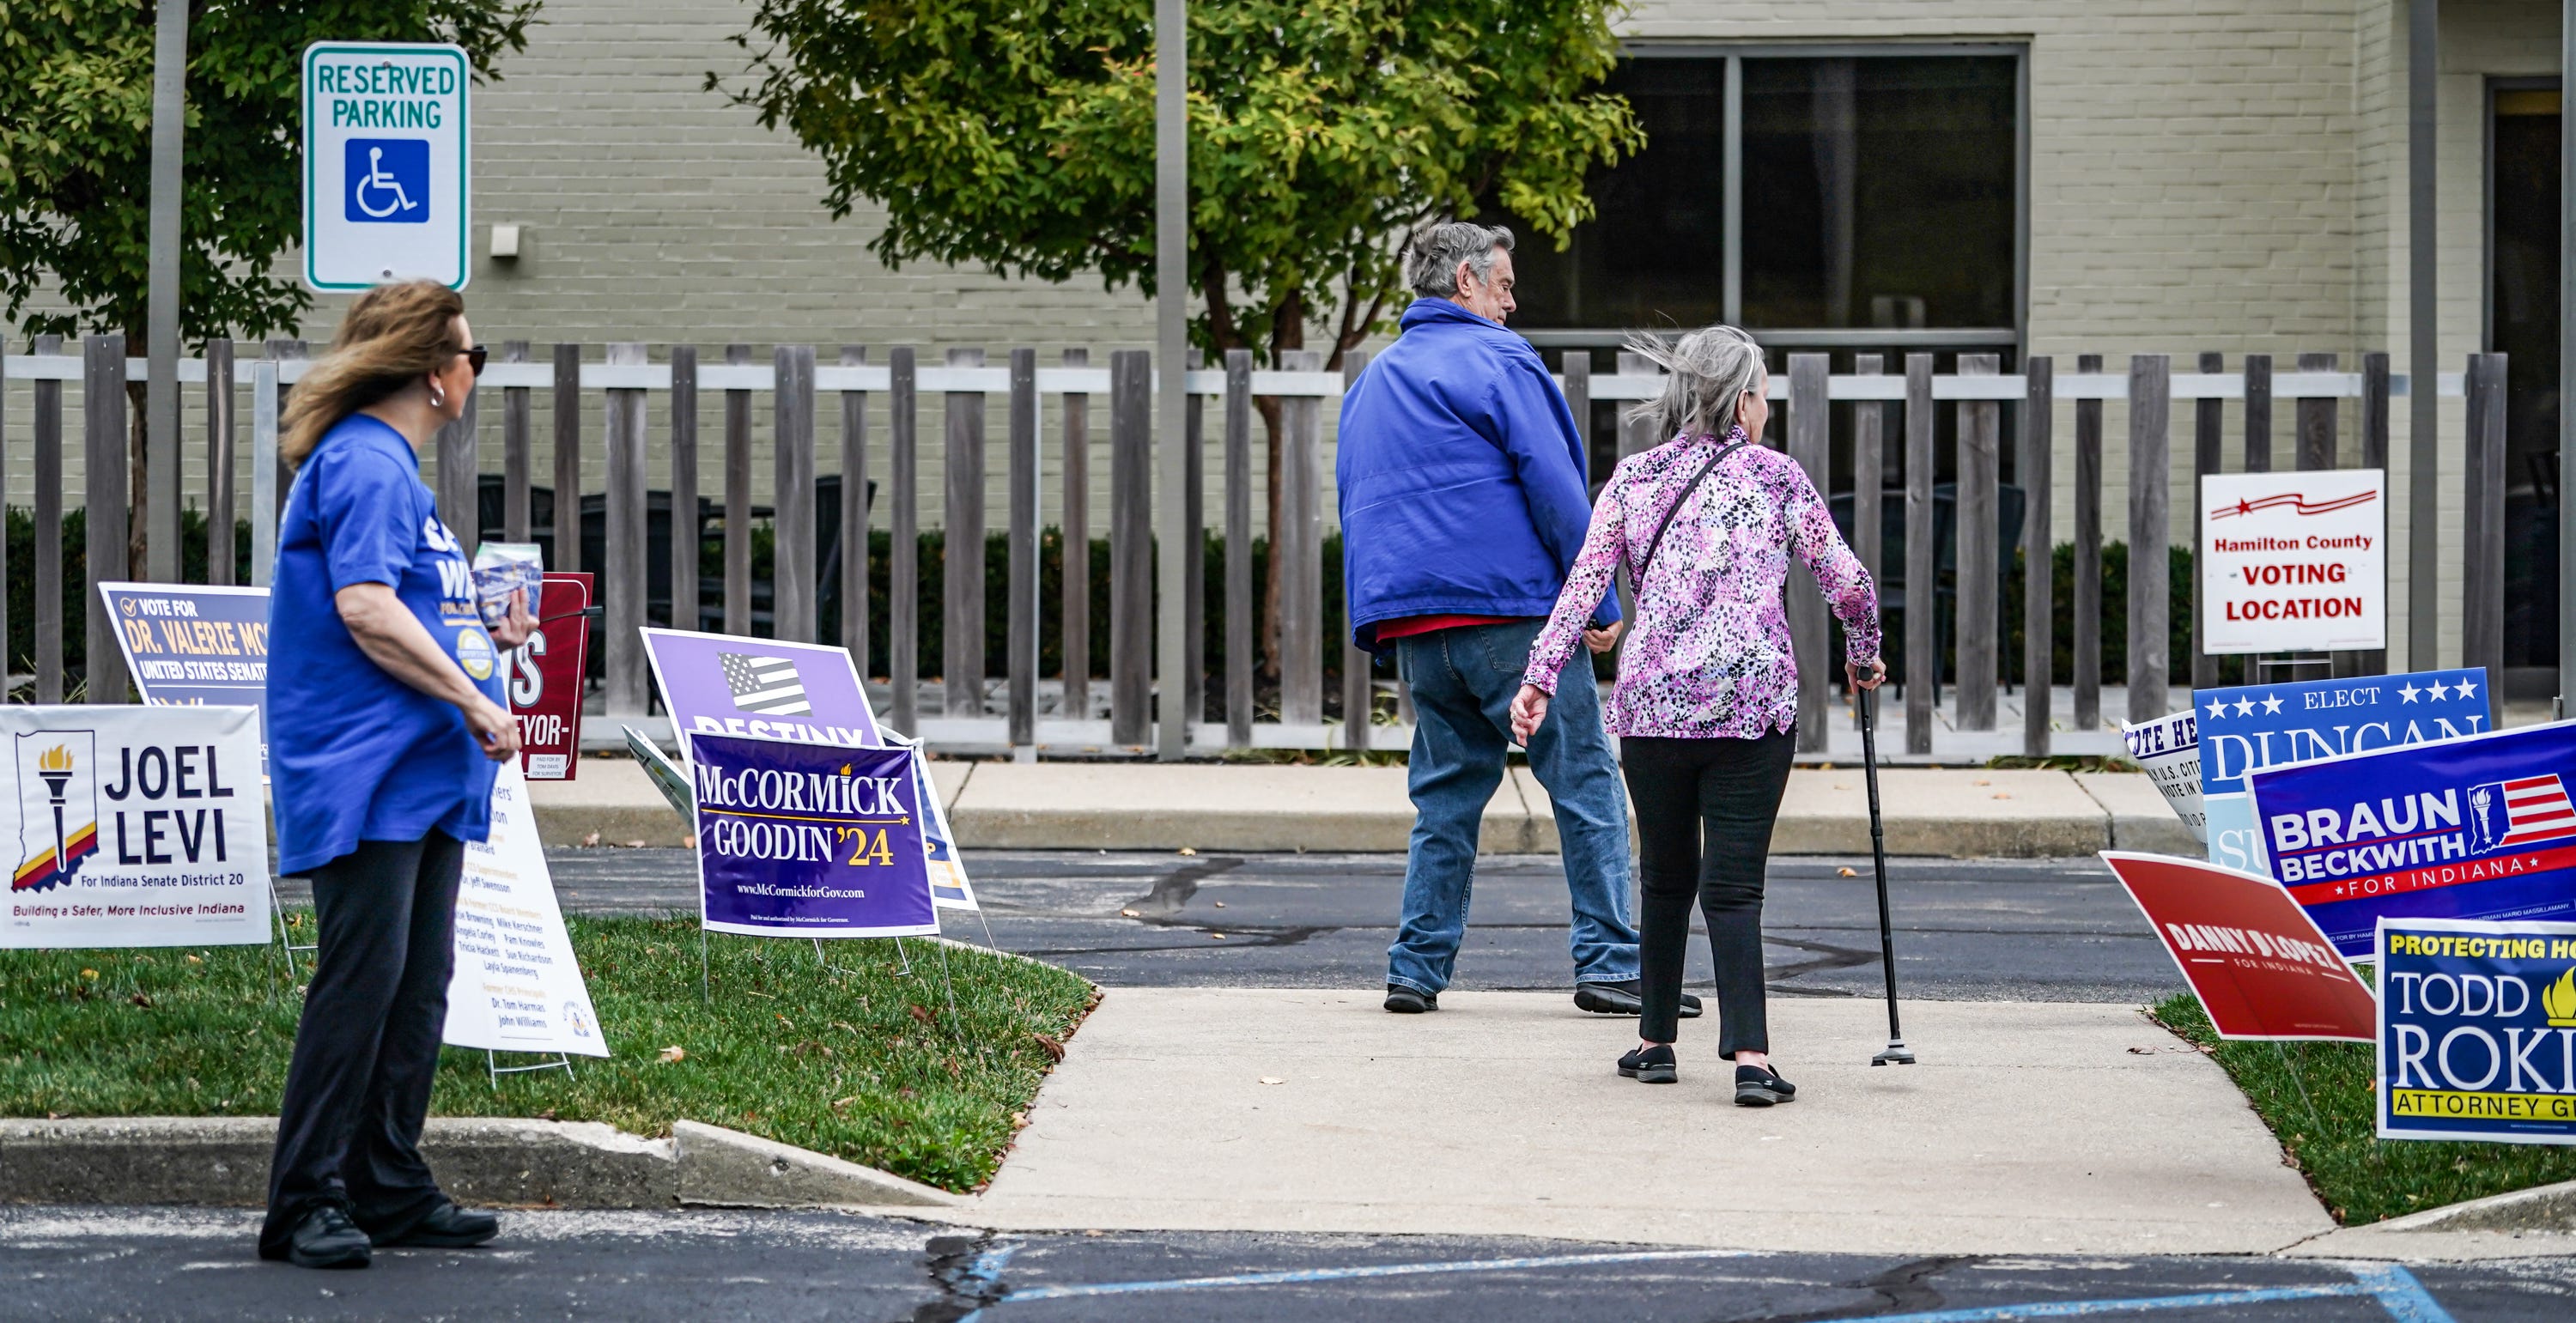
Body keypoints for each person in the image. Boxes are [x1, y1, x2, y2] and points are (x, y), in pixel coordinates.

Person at [1510, 325, 1883, 1106]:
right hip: (1752, 707)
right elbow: (1847, 583)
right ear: (1743, 397)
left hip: (1652, 708)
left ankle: (1654, 1043)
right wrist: (1864, 652)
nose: (1768, 404)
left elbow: (1582, 587)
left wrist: (1540, 677)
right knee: (1736, 886)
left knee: (1665, 875)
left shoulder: (1634, 478)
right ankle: (1751, 1058)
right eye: (1764, 390)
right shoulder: (1778, 479)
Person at [1339, 221, 1696, 1022]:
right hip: (1511, 615)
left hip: (1415, 625)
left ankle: (1415, 969)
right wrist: (1599, 603)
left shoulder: (1373, 379)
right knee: (1586, 781)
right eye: (1503, 284)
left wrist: (1378, 620)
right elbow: (1561, 491)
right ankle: (1610, 964)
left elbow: (1357, 501)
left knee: (1445, 797)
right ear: (1465, 280)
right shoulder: (1501, 360)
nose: (1512, 300)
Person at [258, 280, 536, 1268]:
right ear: (434, 369)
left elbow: (409, 605)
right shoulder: (367, 463)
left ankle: (385, 1181)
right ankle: (303, 1200)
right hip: (369, 771)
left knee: (417, 987)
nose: (474, 371)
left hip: (422, 778)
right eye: (473, 354)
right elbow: (368, 609)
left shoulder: (393, 472)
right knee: (362, 983)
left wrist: (485, 634)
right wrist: (474, 698)